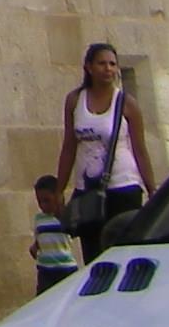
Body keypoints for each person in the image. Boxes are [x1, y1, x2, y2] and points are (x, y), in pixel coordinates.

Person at [53, 41, 156, 260]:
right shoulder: (74, 101)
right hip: (88, 190)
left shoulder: (127, 103)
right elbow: (69, 146)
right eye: (102, 63)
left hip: (123, 186)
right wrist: (59, 189)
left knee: (123, 252)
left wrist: (152, 189)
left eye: (112, 64)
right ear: (89, 67)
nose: (108, 69)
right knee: (93, 254)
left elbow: (139, 149)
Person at [30, 175, 77, 293]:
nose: (43, 205)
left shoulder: (65, 215)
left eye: (47, 201)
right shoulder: (39, 218)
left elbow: (72, 232)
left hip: (65, 268)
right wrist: (35, 247)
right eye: (39, 201)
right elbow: (40, 236)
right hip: (45, 269)